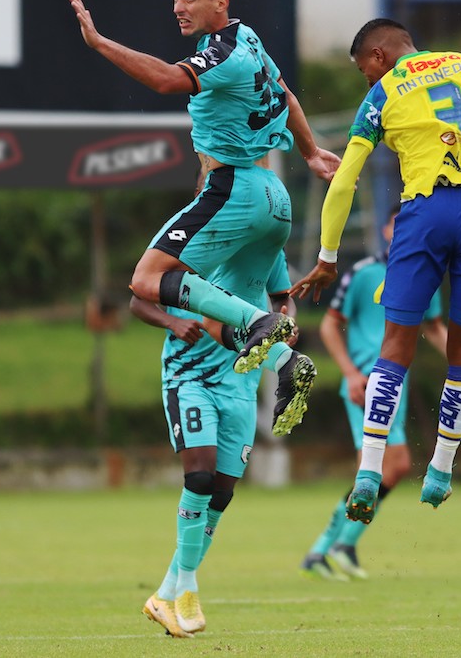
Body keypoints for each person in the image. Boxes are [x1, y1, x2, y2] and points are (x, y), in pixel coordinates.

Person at [291, 18, 461, 523]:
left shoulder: (383, 93)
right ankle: (441, 470)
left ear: (379, 55)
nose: (367, 79)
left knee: (396, 344)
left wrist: (327, 257)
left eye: (364, 70)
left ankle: (368, 471)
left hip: (426, 211)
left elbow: (344, 180)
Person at [68, 0, 340, 436]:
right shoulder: (248, 38)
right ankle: (286, 361)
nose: (178, 7)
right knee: (225, 311)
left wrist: (99, 43)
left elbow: (165, 80)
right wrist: (311, 152)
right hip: (273, 197)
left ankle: (262, 327)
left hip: (234, 188)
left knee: (148, 280)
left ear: (221, 2)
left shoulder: (222, 52)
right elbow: (288, 96)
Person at [135, 251, 305, 637]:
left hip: (241, 386)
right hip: (189, 377)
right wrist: (173, 322)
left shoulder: (267, 245)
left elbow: (282, 297)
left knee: (221, 495)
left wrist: (287, 319)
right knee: (199, 478)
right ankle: (187, 587)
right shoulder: (189, 242)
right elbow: (137, 299)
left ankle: (165, 594)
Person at [299, 210, 447, 581]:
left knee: (392, 467)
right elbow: (330, 324)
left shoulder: (425, 275)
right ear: (386, 230)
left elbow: (433, 327)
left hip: (398, 383)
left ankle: (329, 548)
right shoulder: (363, 272)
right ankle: (332, 546)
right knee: (379, 467)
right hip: (366, 382)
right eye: (399, 224)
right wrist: (350, 373)